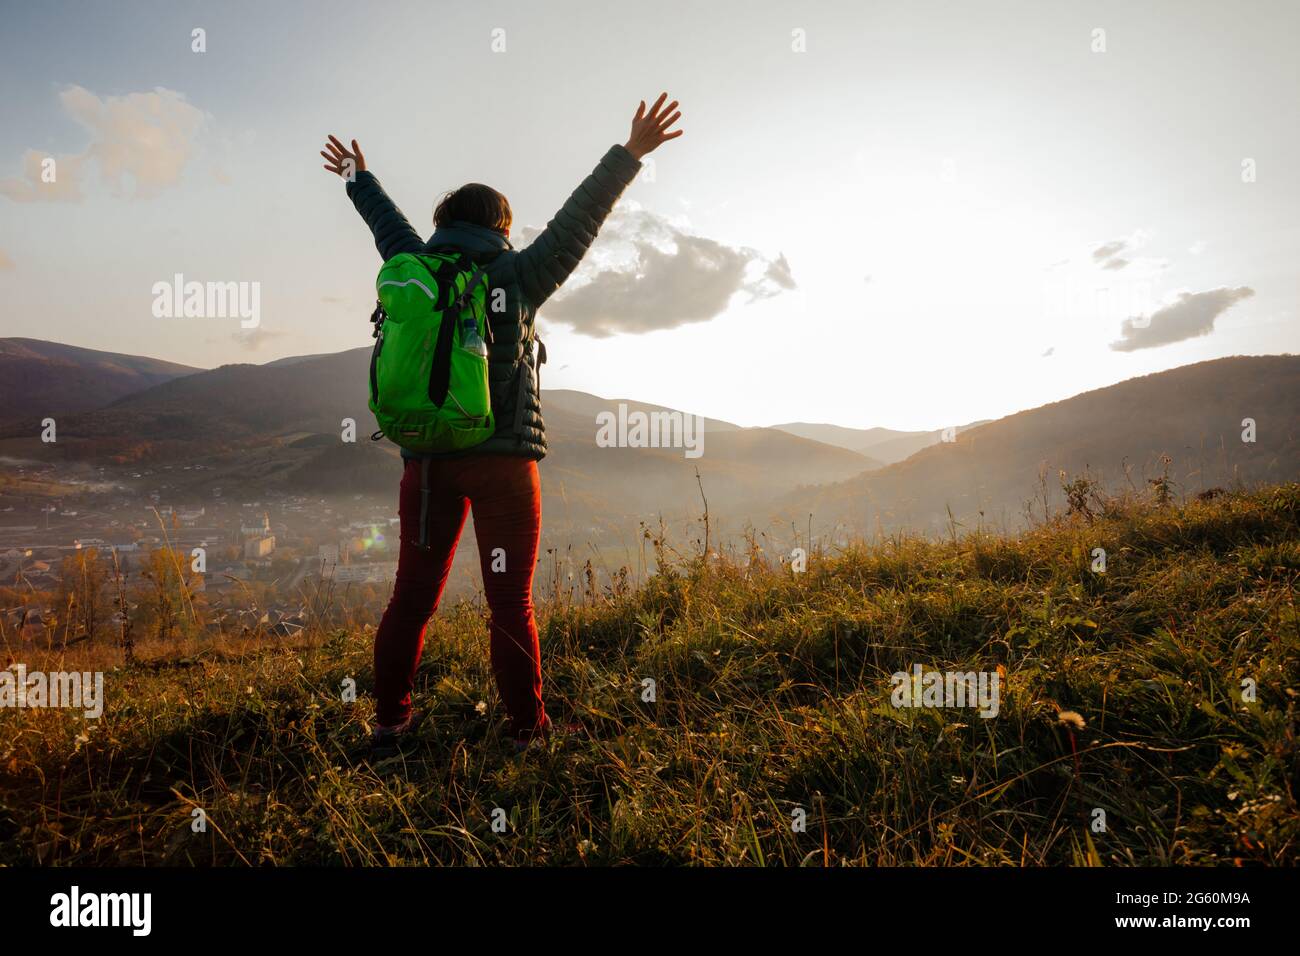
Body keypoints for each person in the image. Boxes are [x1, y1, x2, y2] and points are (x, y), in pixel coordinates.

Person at [321, 94, 683, 758]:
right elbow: (581, 218)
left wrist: (358, 178)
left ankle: (391, 726)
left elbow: (386, 226)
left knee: (411, 602)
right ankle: (526, 732)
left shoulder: (416, 265)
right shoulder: (518, 275)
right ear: (503, 225)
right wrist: (630, 153)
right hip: (502, 466)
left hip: (426, 461)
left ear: (443, 225)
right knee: (509, 603)